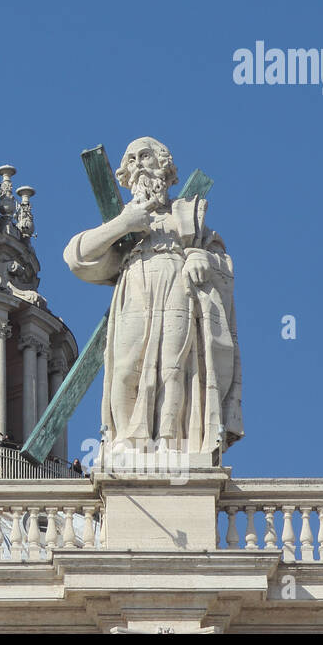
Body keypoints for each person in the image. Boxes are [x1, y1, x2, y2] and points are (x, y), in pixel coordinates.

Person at [63, 137, 242, 461]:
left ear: (165, 166)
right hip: (134, 284)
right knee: (125, 366)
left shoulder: (187, 215)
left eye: (145, 156)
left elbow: (223, 263)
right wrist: (123, 223)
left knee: (174, 365)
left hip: (177, 283)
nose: (138, 165)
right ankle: (125, 444)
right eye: (130, 160)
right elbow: (76, 257)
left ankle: (170, 445)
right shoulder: (123, 221)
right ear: (125, 174)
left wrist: (201, 257)